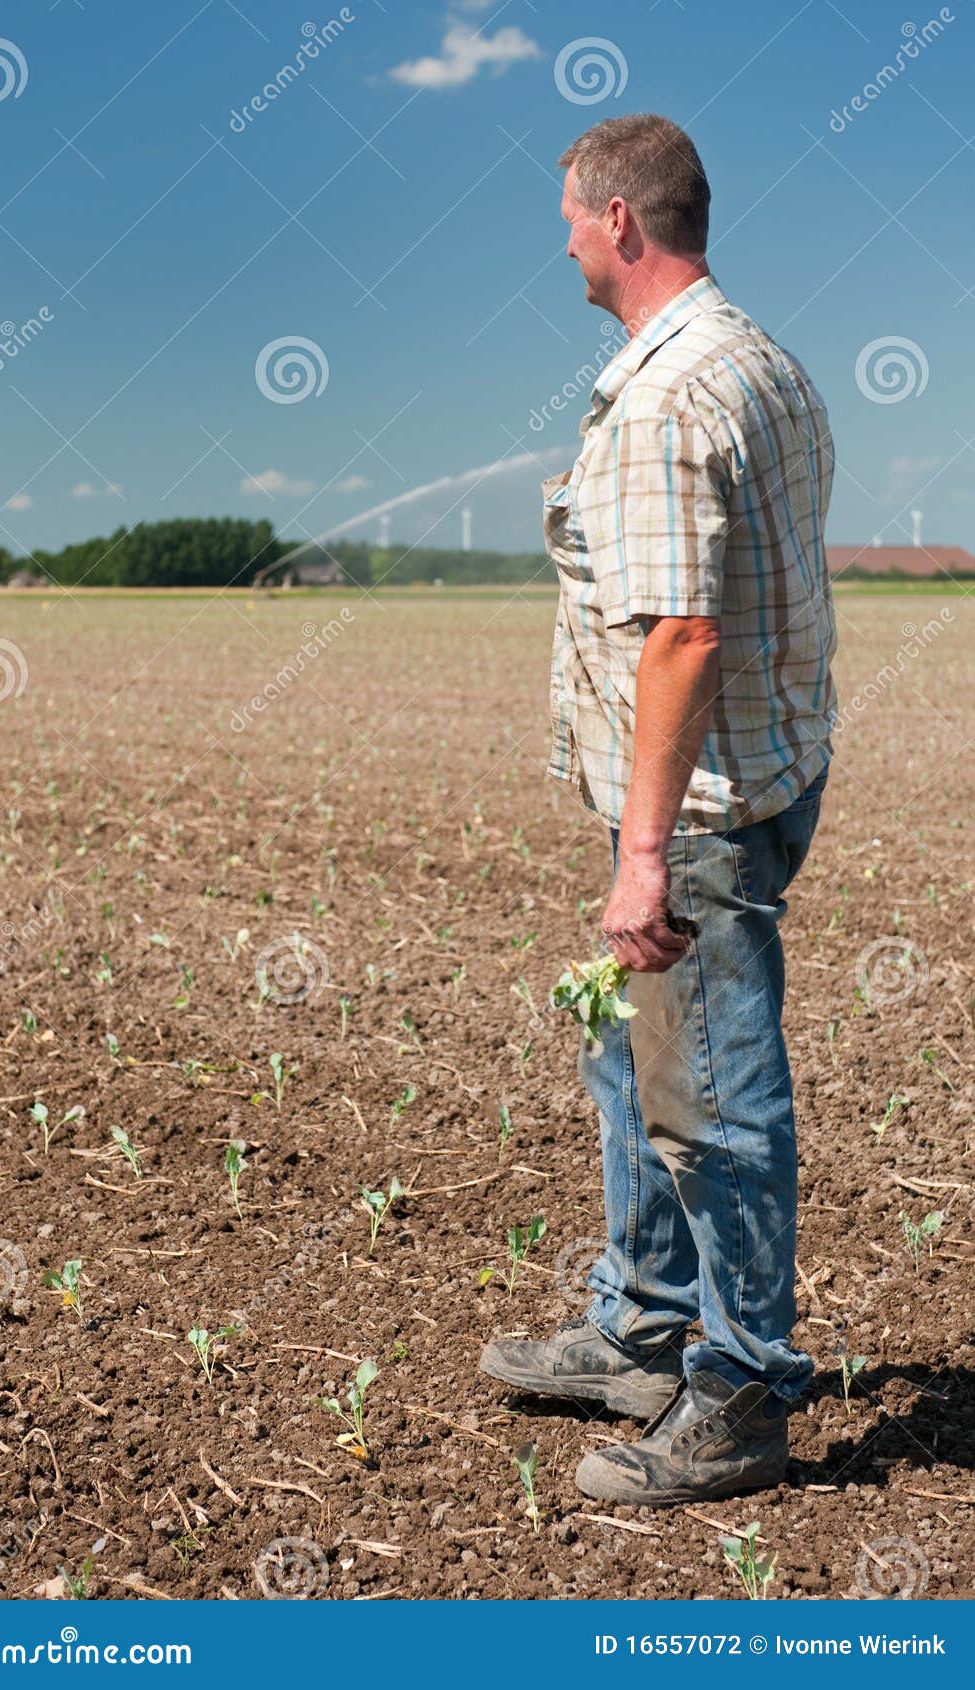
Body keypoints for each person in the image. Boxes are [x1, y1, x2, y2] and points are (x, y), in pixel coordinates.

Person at [480, 113, 837, 1506]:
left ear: (620, 222)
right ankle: (640, 1322)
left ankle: (740, 1388)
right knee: (636, 1066)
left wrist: (645, 858)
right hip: (759, 766)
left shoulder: (673, 394)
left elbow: (682, 632)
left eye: (569, 215)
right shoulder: (762, 357)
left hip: (696, 808)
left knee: (716, 1097)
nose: (561, 238)